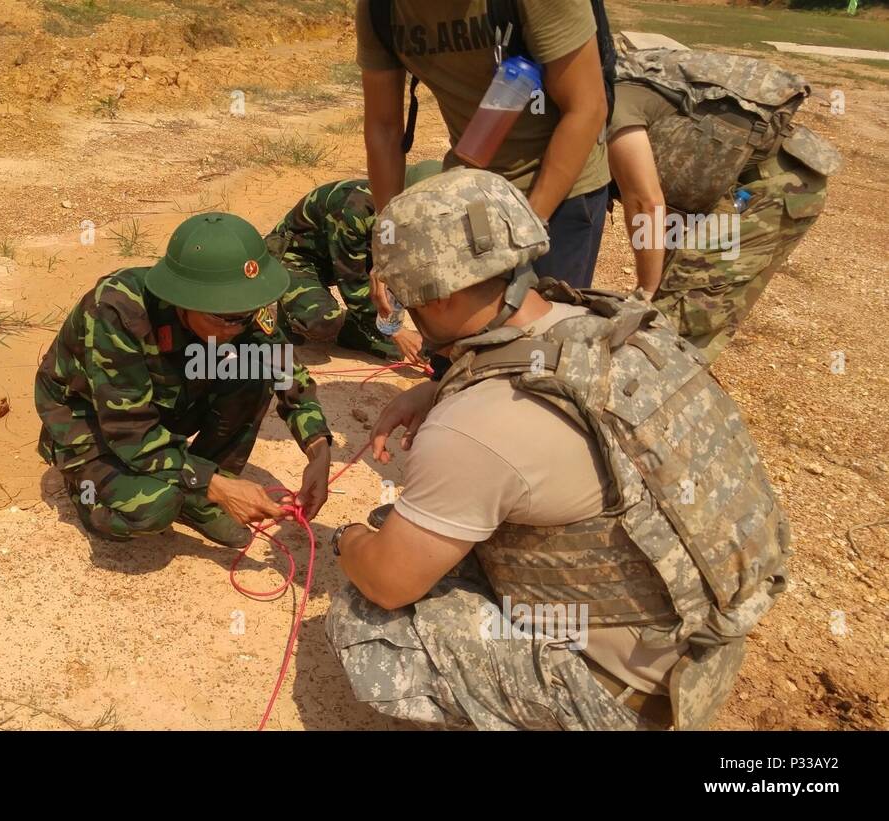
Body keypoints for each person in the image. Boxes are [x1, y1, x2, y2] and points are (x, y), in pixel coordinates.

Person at [324, 168, 790, 730]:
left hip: (613, 699)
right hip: (700, 647)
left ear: (440, 295)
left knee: (365, 608)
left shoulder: (472, 429)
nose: (404, 311)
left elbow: (387, 581)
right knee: (431, 526)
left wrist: (346, 541)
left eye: (405, 298)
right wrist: (435, 389)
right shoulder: (613, 323)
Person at [35, 213, 332, 548]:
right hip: (92, 421)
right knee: (152, 508)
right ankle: (88, 489)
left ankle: (196, 495)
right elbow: (130, 431)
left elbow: (286, 373)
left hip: (159, 404)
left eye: (246, 314)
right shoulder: (117, 311)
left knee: (253, 369)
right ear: (184, 300)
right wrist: (218, 485)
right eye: (225, 318)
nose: (237, 327)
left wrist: (319, 451)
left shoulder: (239, 312)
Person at [355, 0, 612, 294]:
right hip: (473, 188)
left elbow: (587, 107)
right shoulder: (380, 8)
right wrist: (389, 244)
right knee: (466, 332)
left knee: (543, 329)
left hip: (560, 189)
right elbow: (383, 129)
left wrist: (525, 229)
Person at [608, 48, 841, 362]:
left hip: (764, 189)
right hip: (744, 182)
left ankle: (662, 398)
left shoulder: (612, 107)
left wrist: (645, 292)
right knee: (679, 297)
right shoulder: (616, 79)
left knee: (676, 320)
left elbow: (646, 204)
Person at [265, 160, 443, 363]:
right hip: (297, 258)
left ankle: (361, 327)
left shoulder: (398, 213)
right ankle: (294, 312)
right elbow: (353, 283)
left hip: (339, 255)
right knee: (323, 322)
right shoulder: (354, 208)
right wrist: (396, 331)